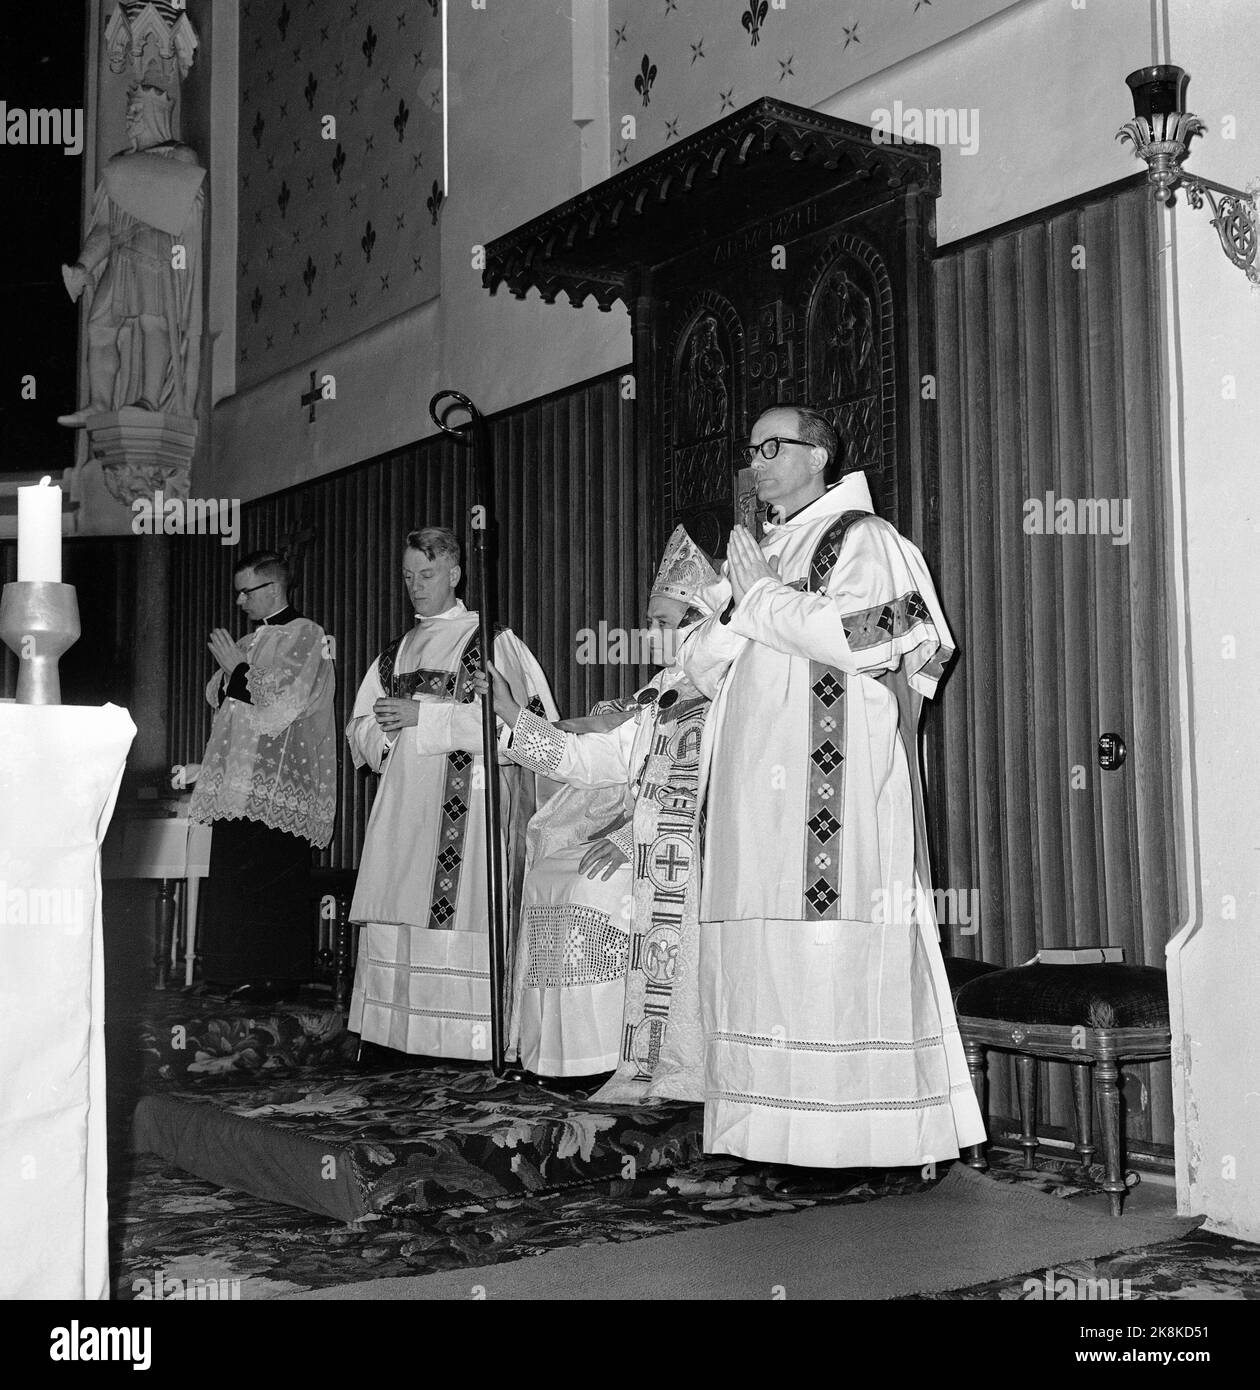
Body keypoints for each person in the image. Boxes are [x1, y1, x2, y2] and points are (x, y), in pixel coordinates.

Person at [678, 405, 987, 1168]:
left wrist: (761, 604)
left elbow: (875, 636)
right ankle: (766, 1137)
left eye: (774, 445)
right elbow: (700, 665)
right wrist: (740, 606)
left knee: (827, 957)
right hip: (756, 802)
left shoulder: (867, 538)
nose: (757, 462)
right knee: (761, 959)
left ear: (820, 454)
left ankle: (855, 1147)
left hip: (832, 802)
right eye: (750, 448)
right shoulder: (757, 552)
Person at [481, 526, 716, 1102]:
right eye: (652, 620)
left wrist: (636, 839)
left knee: (589, 887)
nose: (651, 633)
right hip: (642, 834)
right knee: (552, 873)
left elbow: (706, 796)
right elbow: (603, 757)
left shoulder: (722, 690)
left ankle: (607, 1055)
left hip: (686, 857)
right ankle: (554, 1053)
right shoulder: (663, 689)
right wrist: (514, 716)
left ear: (702, 622)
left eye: (664, 621)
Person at [346, 527, 558, 1061]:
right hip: (402, 810)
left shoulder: (491, 641)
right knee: (399, 903)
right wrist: (385, 734)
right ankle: (397, 1040)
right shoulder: (393, 653)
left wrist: (425, 717)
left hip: (468, 811)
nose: (416, 586)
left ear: (456, 574)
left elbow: (525, 730)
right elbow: (358, 728)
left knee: (459, 910)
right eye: (409, 576)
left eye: (428, 574)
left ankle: (469, 1046)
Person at [188, 551, 336, 1001]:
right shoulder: (252, 641)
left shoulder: (306, 634)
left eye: (245, 590)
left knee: (270, 878)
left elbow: (283, 706)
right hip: (240, 779)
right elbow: (223, 696)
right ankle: (229, 972)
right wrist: (235, 667)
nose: (238, 600)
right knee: (234, 873)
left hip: (277, 782)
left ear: (272, 589)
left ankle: (273, 976)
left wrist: (237, 667)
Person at [58, 63, 204, 426]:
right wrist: (83, 266)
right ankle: (100, 402)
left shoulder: (178, 155)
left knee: (154, 321)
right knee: (99, 325)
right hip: (122, 250)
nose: (130, 119)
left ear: (155, 114)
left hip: (155, 248)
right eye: (129, 112)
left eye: (137, 112)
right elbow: (105, 226)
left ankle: (150, 401)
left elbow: (187, 207)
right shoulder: (119, 165)